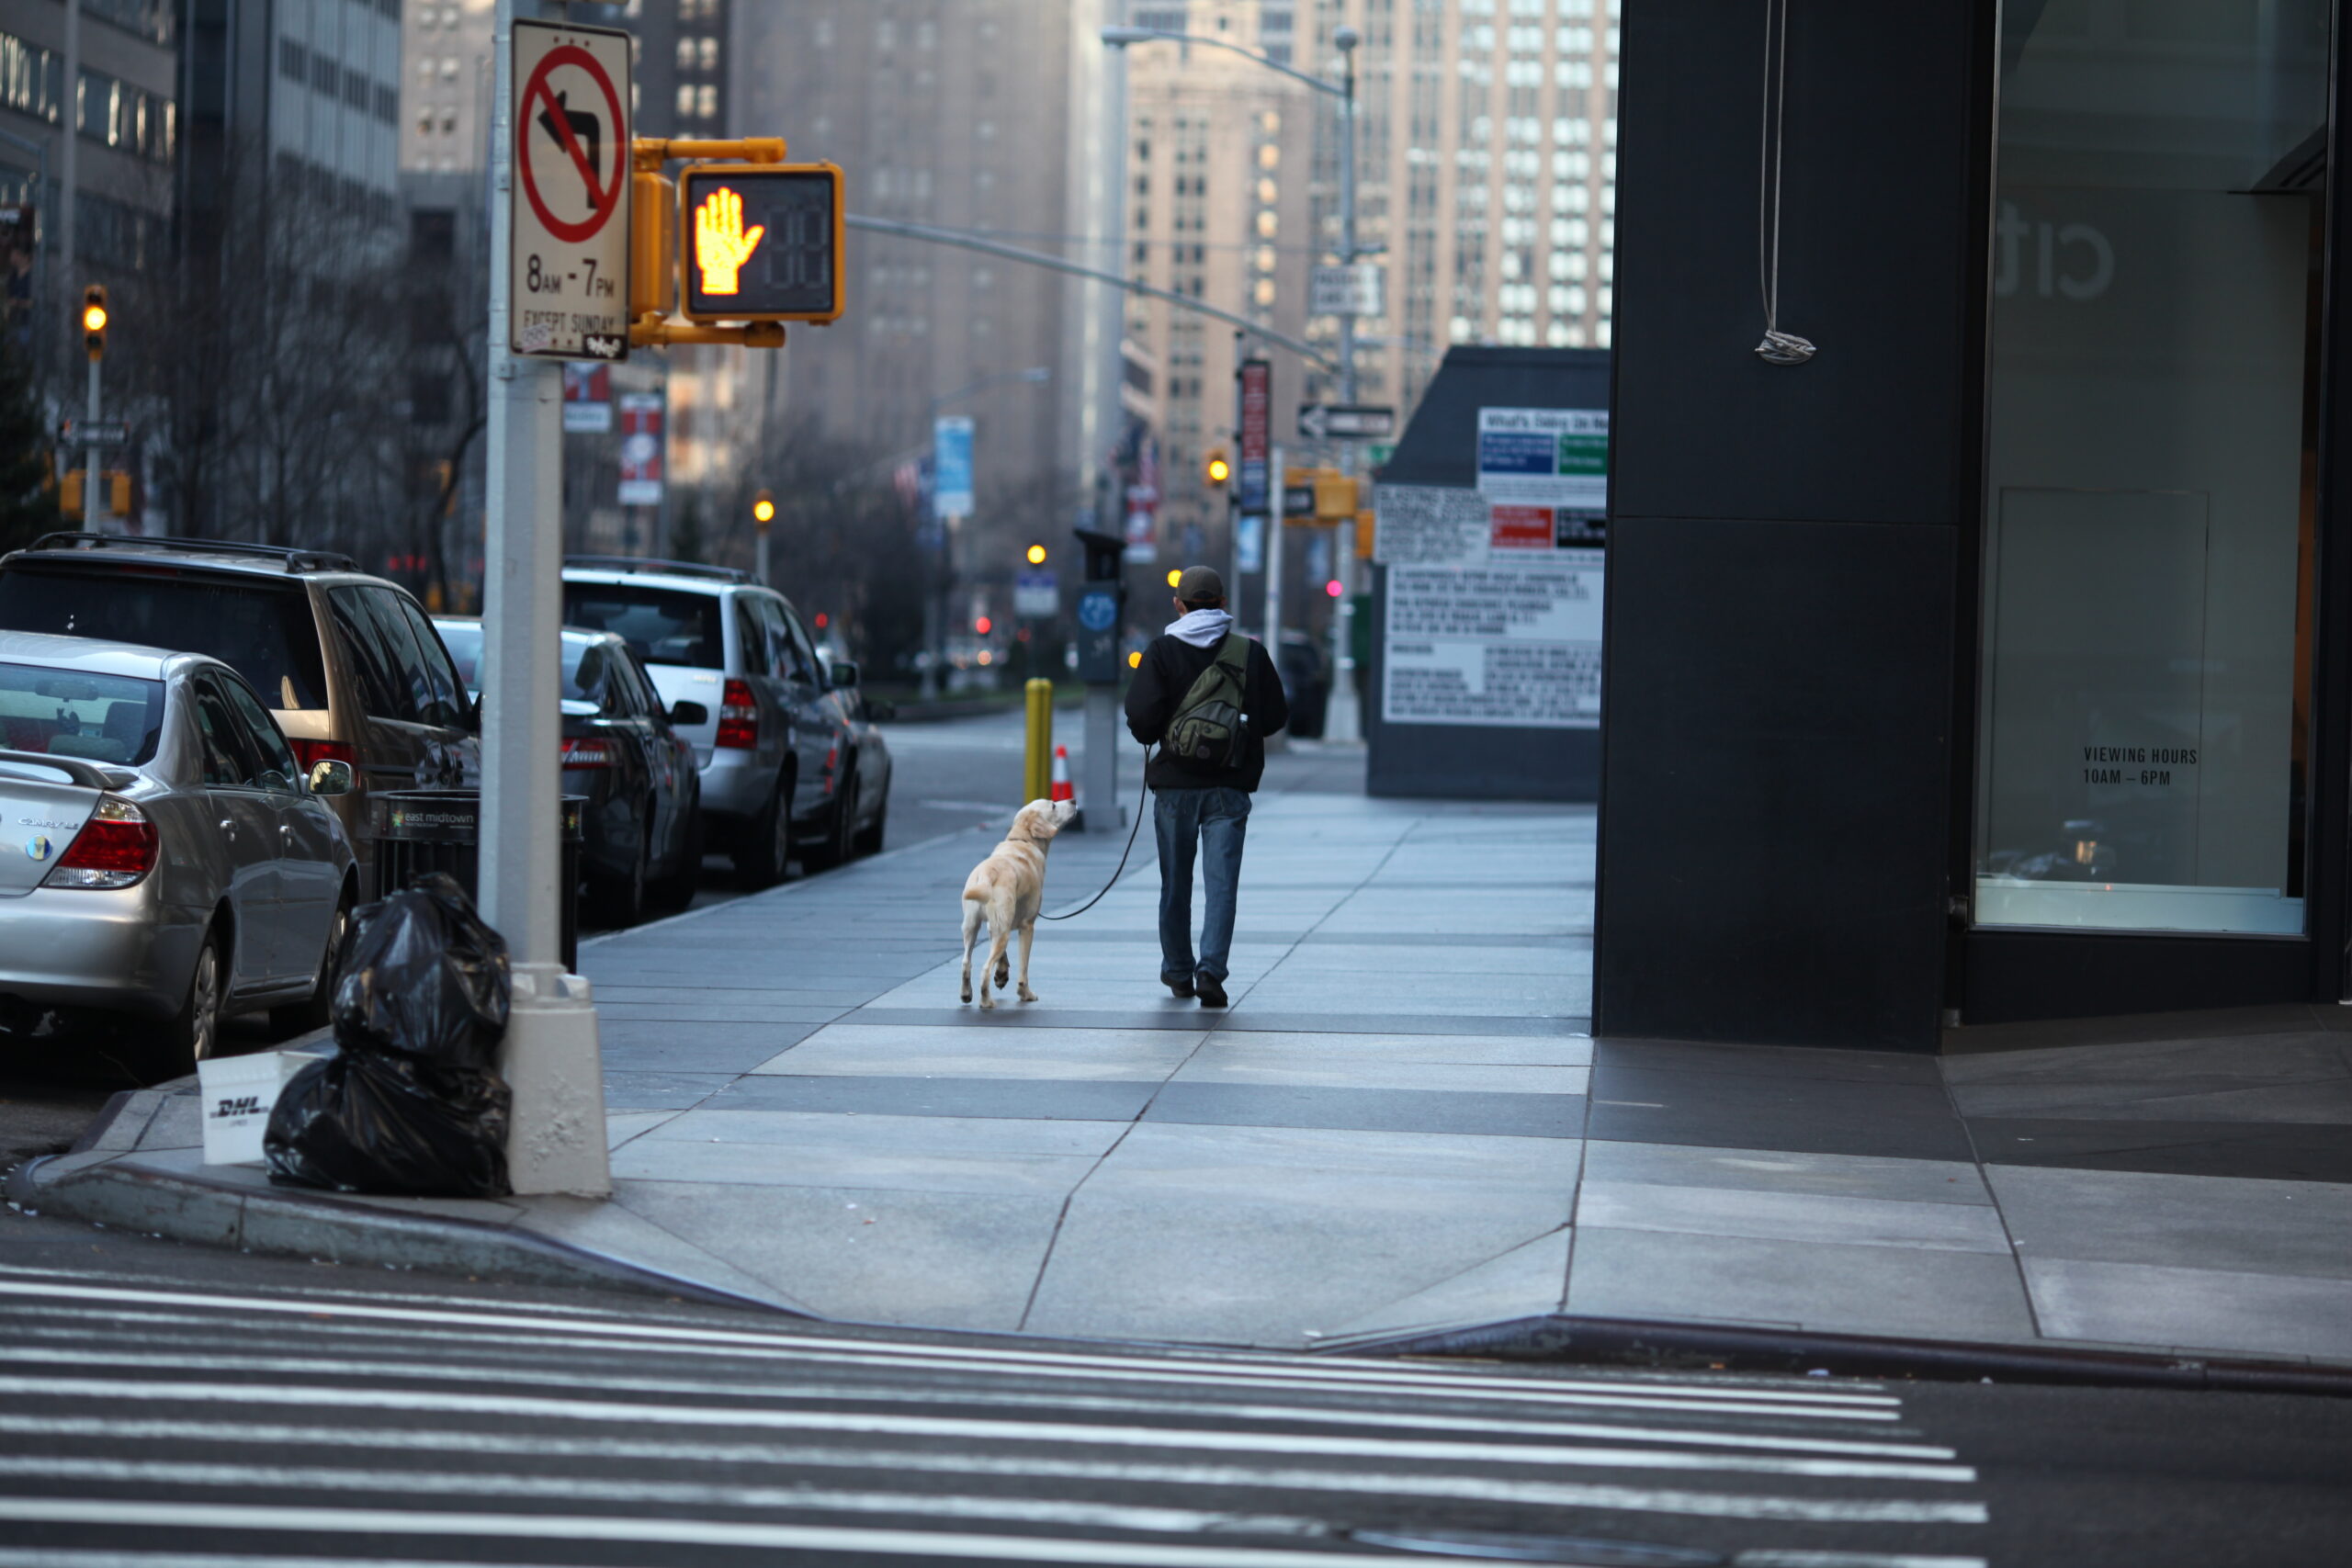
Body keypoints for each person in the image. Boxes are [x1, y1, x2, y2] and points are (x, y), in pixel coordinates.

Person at [1124, 565, 1289, 1008]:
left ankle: (1178, 970)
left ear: (1178, 605)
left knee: (1175, 882)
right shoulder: (1249, 653)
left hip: (1175, 788)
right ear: (1222, 603)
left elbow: (1140, 719)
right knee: (1221, 884)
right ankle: (1211, 971)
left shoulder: (1161, 650)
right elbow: (1275, 717)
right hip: (1229, 788)